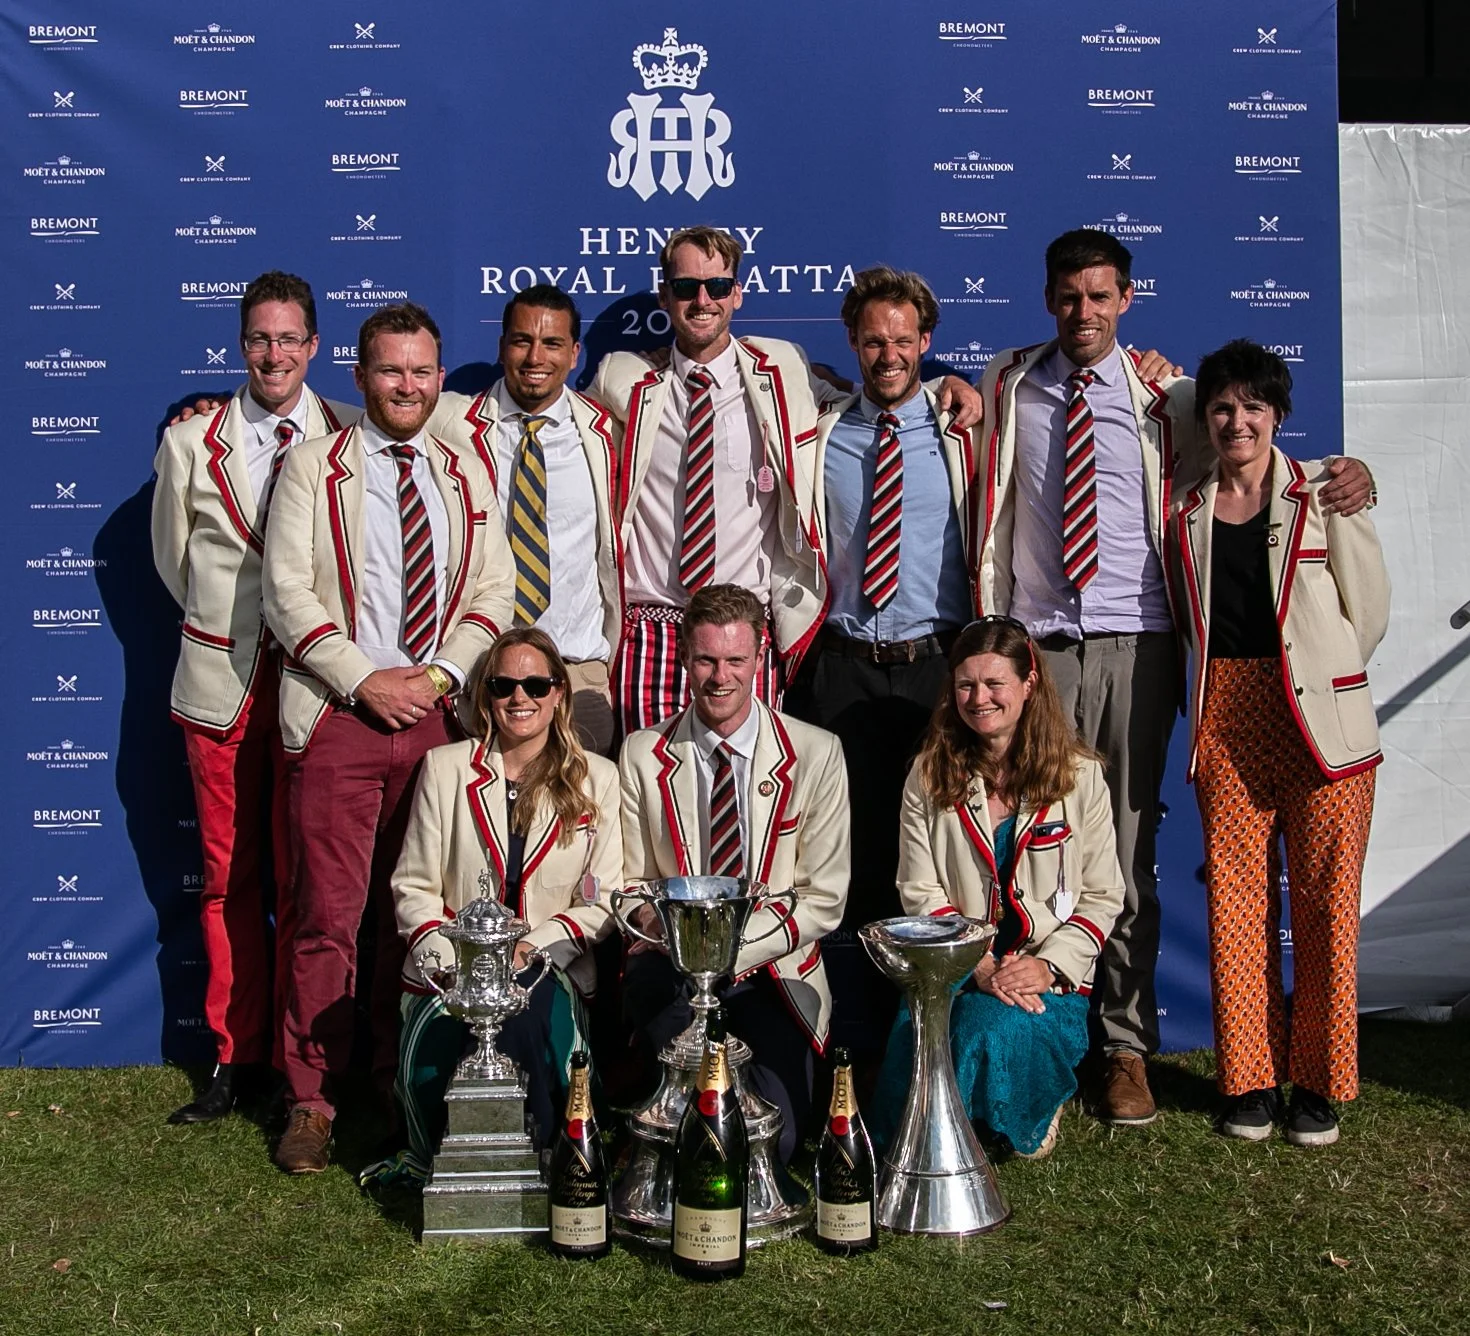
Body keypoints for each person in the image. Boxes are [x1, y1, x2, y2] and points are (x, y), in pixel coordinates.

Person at [975, 229, 1376, 1126]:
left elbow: (1259, 455)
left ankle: (1122, 1046)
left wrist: (1351, 473)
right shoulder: (1005, 379)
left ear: (1126, 300)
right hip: (1036, 648)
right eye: (1070, 296)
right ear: (1048, 300)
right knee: (1012, 836)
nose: (1085, 312)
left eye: (1101, 296)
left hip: (1138, 644)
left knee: (1121, 848)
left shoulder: (1171, 394)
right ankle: (1027, 1023)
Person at [261, 302, 514, 1173]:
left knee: (417, 915)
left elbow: (494, 590)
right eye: (390, 370)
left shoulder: (463, 470)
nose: (407, 385)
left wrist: (441, 676)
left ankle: (395, 1077)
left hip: (438, 720)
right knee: (327, 919)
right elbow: (286, 591)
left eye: (421, 371)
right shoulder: (311, 467)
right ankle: (313, 1098)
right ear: (360, 377)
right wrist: (362, 677)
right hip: (341, 714)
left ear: (439, 378)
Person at [590, 226, 983, 736]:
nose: (702, 300)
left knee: (753, 799)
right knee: (648, 789)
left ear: (738, 292)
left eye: (716, 286)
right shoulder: (621, 379)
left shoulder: (783, 369)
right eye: (686, 287)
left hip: (750, 632)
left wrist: (943, 384)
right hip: (656, 634)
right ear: (666, 295)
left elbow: (880, 389)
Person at [1170, 340, 1388, 1147]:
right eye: (1222, 407)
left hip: (1321, 722)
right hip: (1227, 716)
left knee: (1328, 904)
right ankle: (1250, 1084)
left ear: (1278, 417)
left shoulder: (1326, 494)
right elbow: (1170, 391)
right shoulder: (1186, 510)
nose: (1236, 421)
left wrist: (1319, 678)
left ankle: (1320, 1086)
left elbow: (1366, 613)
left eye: (1252, 408)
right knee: (1234, 904)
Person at [151, 271, 357, 1124]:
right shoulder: (191, 443)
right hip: (223, 684)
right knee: (228, 881)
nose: (274, 354)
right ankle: (236, 1059)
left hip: (312, 685)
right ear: (242, 347)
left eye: (289, 340)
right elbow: (173, 560)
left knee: (310, 878)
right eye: (259, 339)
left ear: (315, 348)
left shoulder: (346, 431)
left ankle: (298, 1062)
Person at [783, 265, 986, 1061]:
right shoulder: (821, 430)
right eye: (874, 339)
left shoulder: (966, 426)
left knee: (938, 853)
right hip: (840, 665)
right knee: (852, 857)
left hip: (937, 665)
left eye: (903, 339)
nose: (888, 353)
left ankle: (940, 1036)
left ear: (927, 344)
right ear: (852, 344)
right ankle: (856, 1041)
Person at [372, 627, 621, 1182]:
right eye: (504, 685)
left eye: (536, 683)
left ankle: (526, 1168)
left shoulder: (598, 779)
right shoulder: (444, 769)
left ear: (560, 692)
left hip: (545, 967)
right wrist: (464, 966)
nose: (520, 698)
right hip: (449, 973)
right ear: (485, 695)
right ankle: (459, 1166)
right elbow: (413, 889)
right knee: (447, 1049)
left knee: (523, 1026)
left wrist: (533, 947)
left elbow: (606, 899)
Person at [874, 617, 1125, 1159]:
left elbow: (1103, 895)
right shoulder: (927, 775)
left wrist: (1046, 966)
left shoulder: (1080, 777)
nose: (979, 698)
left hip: (1044, 982)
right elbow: (918, 888)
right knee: (929, 1043)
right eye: (966, 684)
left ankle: (1013, 1115)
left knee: (989, 1027)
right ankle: (945, 1140)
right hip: (957, 969)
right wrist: (978, 965)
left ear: (1028, 684)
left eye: (995, 684)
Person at [618, 584, 850, 1161]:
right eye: (706, 660)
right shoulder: (643, 753)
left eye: (735, 660)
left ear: (760, 657)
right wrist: (657, 925)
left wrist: (720, 951)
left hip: (772, 973)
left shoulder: (816, 752)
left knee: (778, 1143)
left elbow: (823, 898)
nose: (720, 677)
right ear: (684, 659)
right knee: (674, 1131)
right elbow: (625, 883)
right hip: (672, 973)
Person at [426, 286, 622, 755]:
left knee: (583, 822)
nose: (536, 356)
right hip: (484, 673)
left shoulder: (608, 432)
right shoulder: (451, 421)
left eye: (552, 343)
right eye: (521, 341)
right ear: (501, 347)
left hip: (578, 677)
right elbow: (377, 412)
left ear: (575, 353)